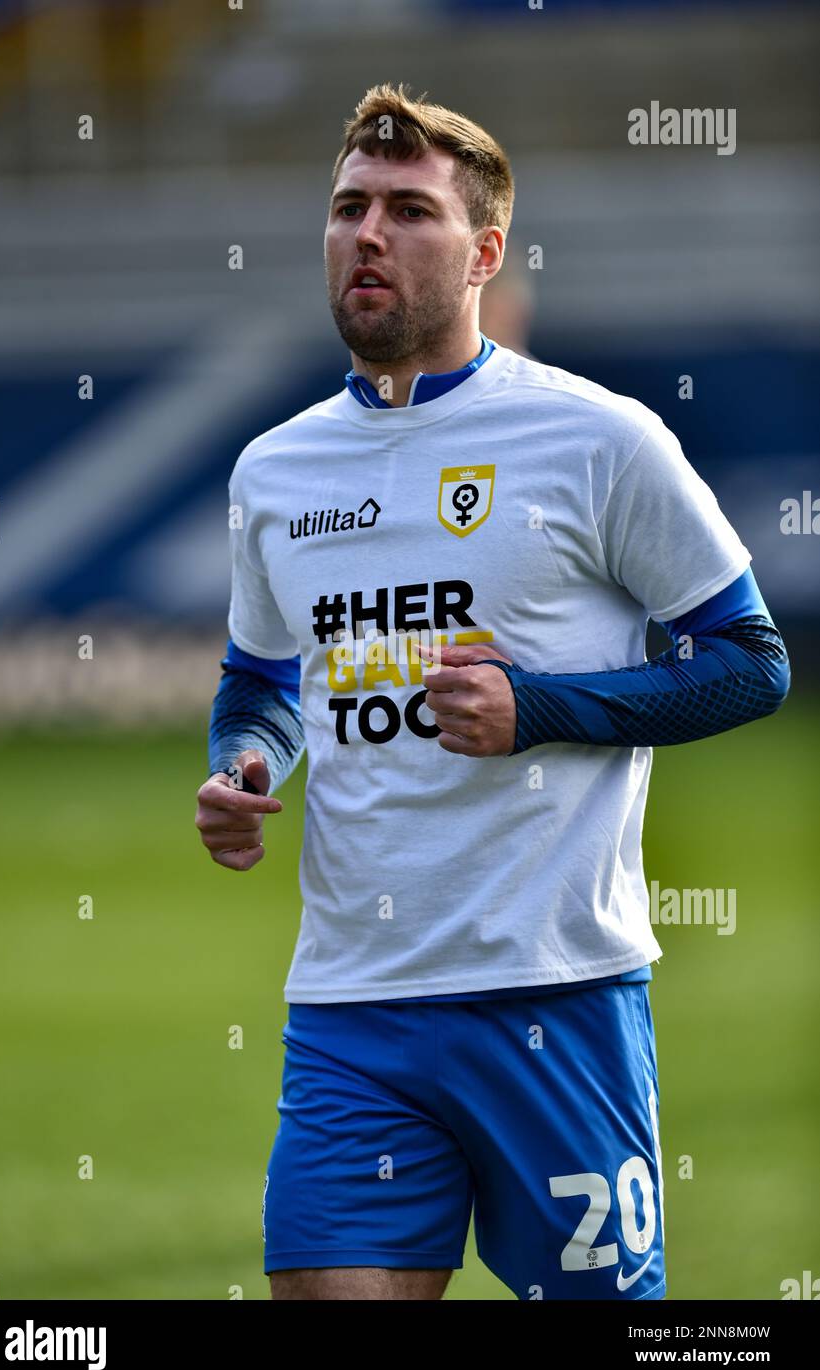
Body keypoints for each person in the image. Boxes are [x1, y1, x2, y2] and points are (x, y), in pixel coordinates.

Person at [195, 83, 790, 1301]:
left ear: (483, 254)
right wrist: (250, 760)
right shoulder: (275, 468)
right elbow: (263, 678)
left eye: (407, 212)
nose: (366, 234)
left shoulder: (601, 441)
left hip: (555, 993)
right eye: (347, 207)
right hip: (355, 1007)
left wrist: (543, 710)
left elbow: (751, 662)